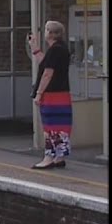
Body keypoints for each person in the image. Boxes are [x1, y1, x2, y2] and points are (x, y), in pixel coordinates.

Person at [30, 20, 72, 169]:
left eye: (46, 30)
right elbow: (45, 63)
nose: (44, 32)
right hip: (63, 94)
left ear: (52, 33)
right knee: (61, 126)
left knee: (50, 126)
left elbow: (47, 73)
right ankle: (59, 157)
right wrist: (35, 49)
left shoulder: (55, 50)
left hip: (52, 95)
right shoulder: (61, 49)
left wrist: (39, 93)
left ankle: (48, 157)